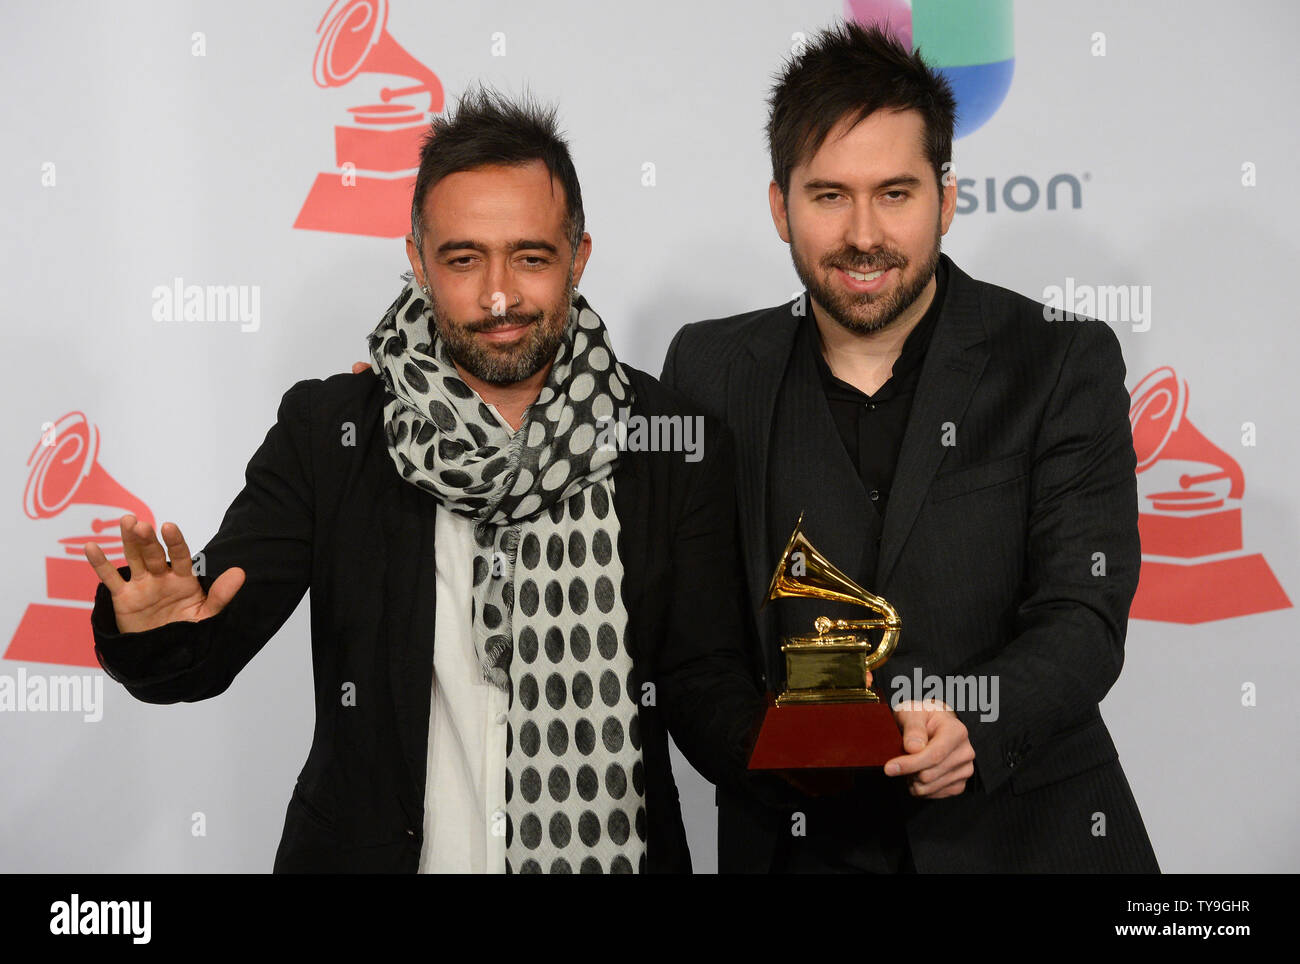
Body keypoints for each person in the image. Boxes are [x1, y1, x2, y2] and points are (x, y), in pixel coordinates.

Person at [85, 86, 766, 874]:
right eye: (464, 259)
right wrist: (157, 631)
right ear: (417, 261)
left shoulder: (669, 440)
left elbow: (700, 682)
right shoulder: (332, 434)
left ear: (578, 255)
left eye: (531, 256)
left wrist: (819, 756)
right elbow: (209, 645)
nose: (500, 295)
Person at [659, 21, 1160, 873]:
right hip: (795, 846)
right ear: (779, 205)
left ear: (947, 198)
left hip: (1030, 841)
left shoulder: (1060, 359)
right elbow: (697, 653)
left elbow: (1084, 614)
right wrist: (781, 758)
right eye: (829, 196)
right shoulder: (707, 370)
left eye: (895, 193)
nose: (863, 235)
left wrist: (977, 721)